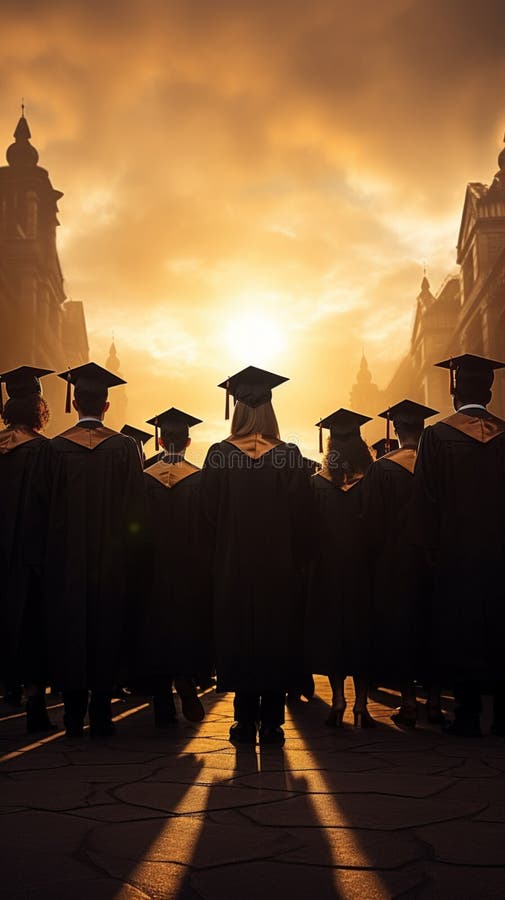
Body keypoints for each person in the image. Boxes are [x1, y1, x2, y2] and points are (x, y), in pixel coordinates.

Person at [200, 365, 314, 745]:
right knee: (273, 638)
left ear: (237, 410)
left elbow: (207, 519)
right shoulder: (289, 456)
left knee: (241, 638)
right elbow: (303, 519)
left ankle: (244, 721)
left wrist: (219, 559)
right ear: (269, 410)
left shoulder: (219, 456)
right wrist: (296, 563)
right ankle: (273, 723)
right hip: (278, 570)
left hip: (233, 568)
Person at [45, 363, 145, 738]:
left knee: (71, 628)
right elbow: (137, 512)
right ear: (105, 406)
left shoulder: (53, 450)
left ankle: (72, 715)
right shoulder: (124, 449)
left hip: (65, 561)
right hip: (111, 562)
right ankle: (101, 712)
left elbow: (42, 511)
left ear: (74, 402)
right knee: (106, 629)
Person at [411, 353, 505, 737]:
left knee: (461, 627)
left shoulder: (436, 436)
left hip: (456, 555)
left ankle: (466, 714)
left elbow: (425, 500)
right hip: (500, 555)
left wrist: (428, 551)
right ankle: (502, 715)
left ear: (454, 390)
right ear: (490, 388)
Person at [362, 399, 442, 727]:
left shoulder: (381, 469)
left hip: (395, 565)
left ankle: (408, 703)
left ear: (395, 429)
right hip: (435, 562)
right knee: (434, 632)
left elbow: (371, 523)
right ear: (422, 428)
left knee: (403, 632)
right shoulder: (437, 464)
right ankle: (435, 703)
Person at [137, 406, 212, 728]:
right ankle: (186, 678)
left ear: (159, 440)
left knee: (154, 629)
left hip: (151, 569)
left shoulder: (142, 480)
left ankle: (162, 700)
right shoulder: (200, 480)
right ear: (188, 442)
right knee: (185, 627)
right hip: (189, 571)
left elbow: (132, 527)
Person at [305, 408, 375, 728]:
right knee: (362, 633)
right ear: (361, 444)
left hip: (327, 571)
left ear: (330, 446)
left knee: (334, 634)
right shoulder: (372, 481)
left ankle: (338, 699)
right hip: (364, 571)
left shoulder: (316, 484)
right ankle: (362, 704)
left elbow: (308, 531)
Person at [0, 366, 55, 732]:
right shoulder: (46, 451)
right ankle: (35, 701)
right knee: (33, 626)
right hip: (32, 557)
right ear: (39, 407)